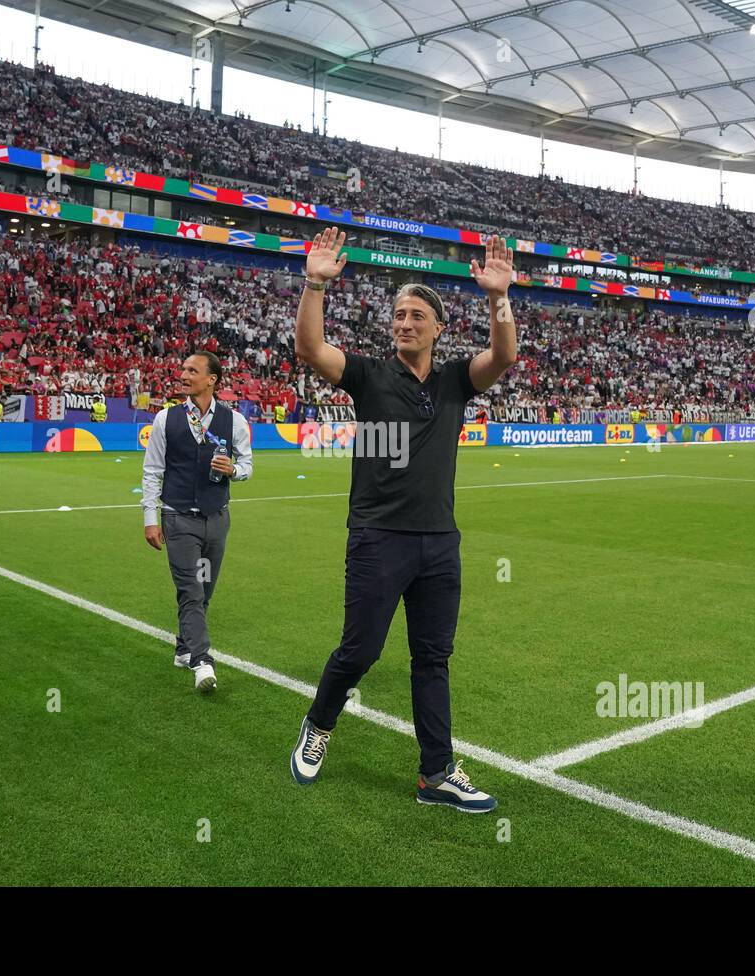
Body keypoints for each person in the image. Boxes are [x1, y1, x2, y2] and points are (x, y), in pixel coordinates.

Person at [288, 227, 517, 813]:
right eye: (398, 314)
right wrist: (314, 283)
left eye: (417, 315)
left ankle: (435, 773)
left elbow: (505, 356)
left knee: (432, 660)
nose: (404, 323)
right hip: (378, 537)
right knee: (359, 651)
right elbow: (312, 350)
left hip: (439, 542)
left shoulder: (454, 381)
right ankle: (318, 724)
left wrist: (498, 298)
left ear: (438, 328)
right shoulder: (368, 376)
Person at [141, 351, 253, 693]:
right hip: (178, 519)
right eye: (183, 369)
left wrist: (233, 470)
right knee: (190, 589)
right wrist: (150, 517)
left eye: (193, 370)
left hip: (217, 518)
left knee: (203, 591)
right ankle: (202, 661)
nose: (184, 374)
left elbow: (248, 466)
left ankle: (183, 647)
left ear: (212, 380)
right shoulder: (165, 419)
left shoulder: (235, 421)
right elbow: (152, 471)